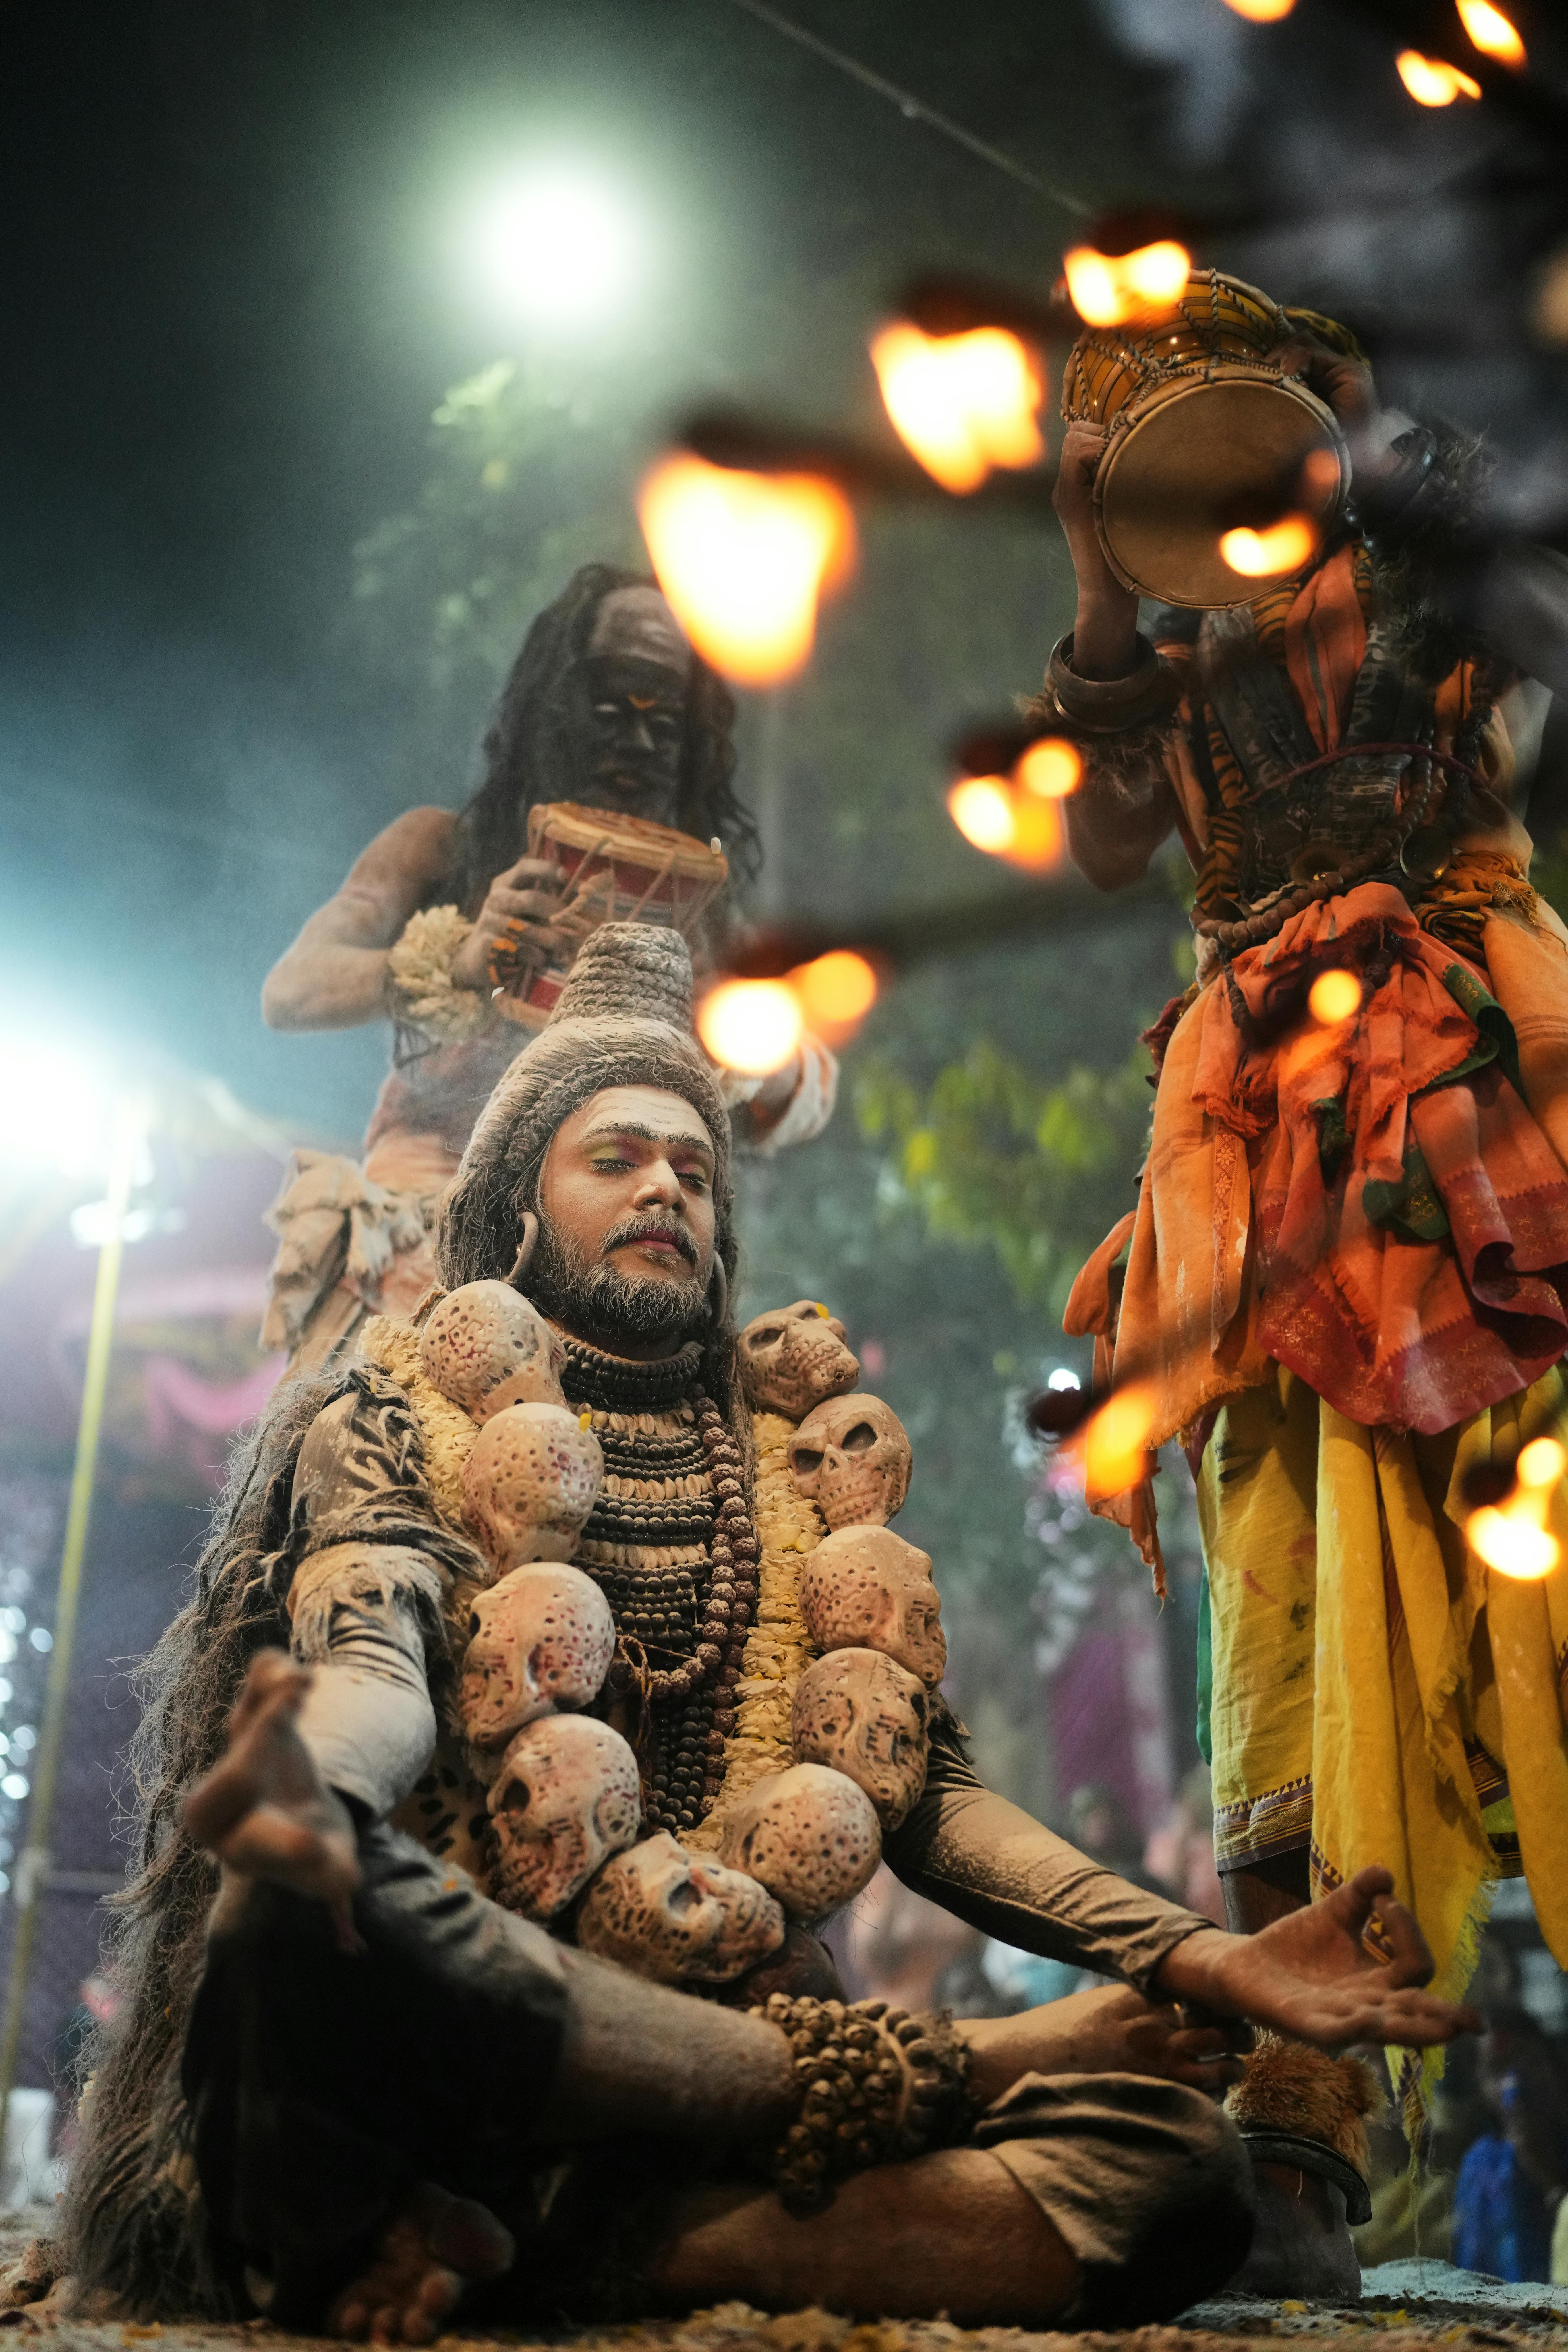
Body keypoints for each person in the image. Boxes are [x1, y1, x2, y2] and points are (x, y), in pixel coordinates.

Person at [58, 923, 1476, 2338]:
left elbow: (933, 1792)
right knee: (299, 1911)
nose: (666, 1183)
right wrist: (326, 1782)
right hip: (491, 2020)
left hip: (722, 2043)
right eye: (614, 1157)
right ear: (516, 1213)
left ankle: (569, 2241)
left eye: (692, 1166)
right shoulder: (388, 1410)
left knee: (1175, 2167)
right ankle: (936, 2079)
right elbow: (371, 1657)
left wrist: (1197, 1953)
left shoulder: (799, 1455)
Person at [1049, 304, 1568, 2034]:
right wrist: (1100, 577)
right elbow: (1106, 841)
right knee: (1274, 1566)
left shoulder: (1435, 566)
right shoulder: (1170, 650)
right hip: (1255, 1140)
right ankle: (1302, 2124)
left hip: (1480, 1087)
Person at [259, 564, 836, 1370]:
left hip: (610, 1266)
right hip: (422, 1243)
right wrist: (451, 961)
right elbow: (290, 992)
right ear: (552, 713)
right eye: (609, 711)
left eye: (662, 723)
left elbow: (800, 1093)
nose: (635, 743)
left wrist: (723, 1029)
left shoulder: (706, 912)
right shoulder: (442, 850)